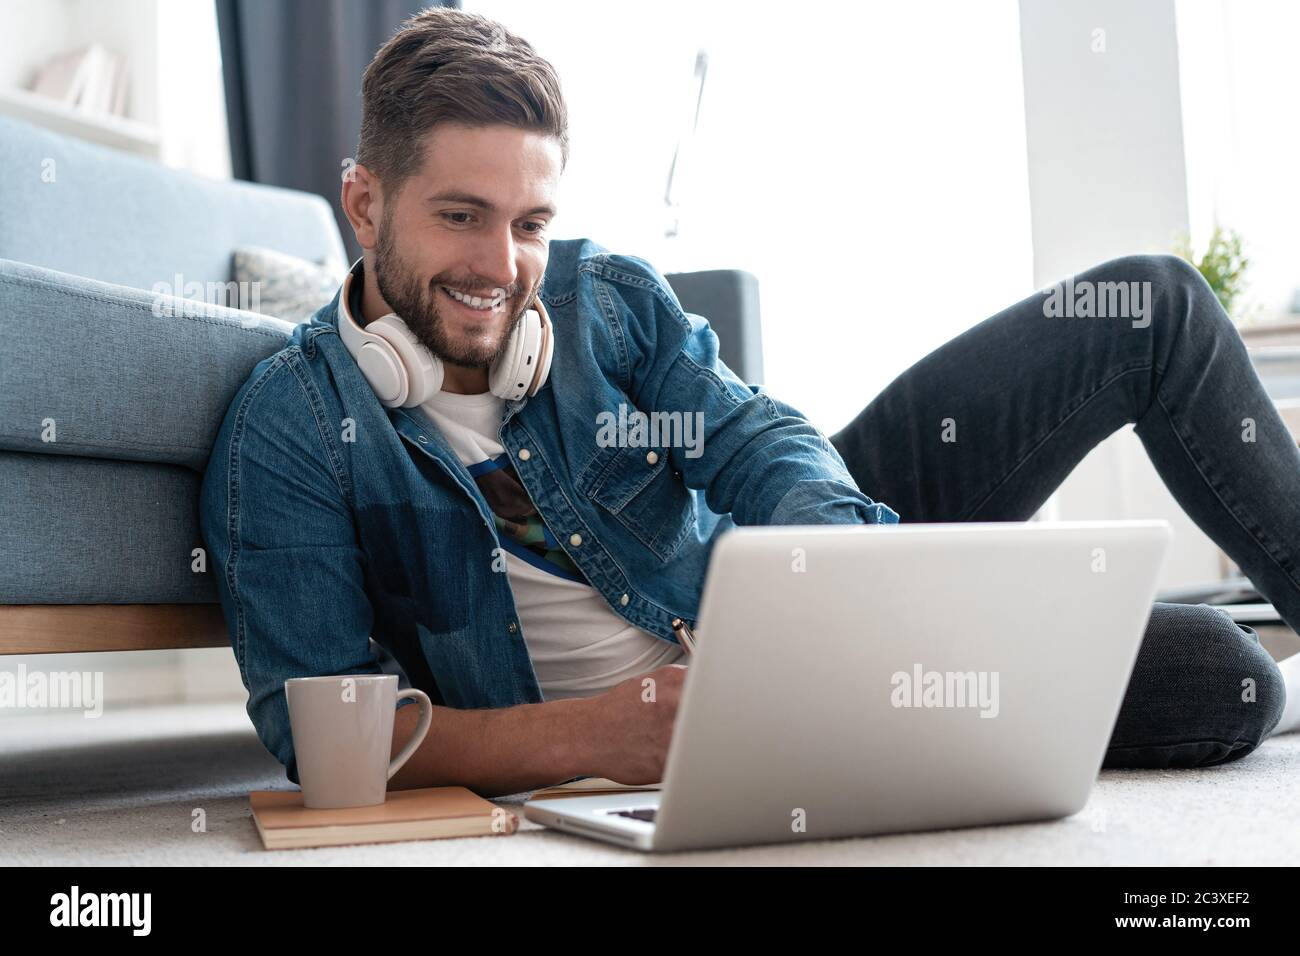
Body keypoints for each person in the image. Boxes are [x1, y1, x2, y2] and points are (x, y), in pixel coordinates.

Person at [199, 7, 1295, 798]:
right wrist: (595, 735)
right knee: (1226, 682)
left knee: (1149, 302)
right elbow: (331, 732)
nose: (502, 262)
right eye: (460, 215)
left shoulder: (602, 300)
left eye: (528, 222)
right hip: (740, 716)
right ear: (363, 200)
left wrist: (858, 579)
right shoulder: (292, 429)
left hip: (801, 585)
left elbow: (752, 436)